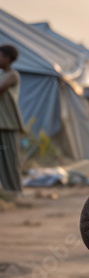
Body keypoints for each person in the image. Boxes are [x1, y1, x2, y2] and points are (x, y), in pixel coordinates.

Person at [0, 44, 26, 194]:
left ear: (8, 58)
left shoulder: (12, 75)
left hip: (8, 124)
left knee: (10, 161)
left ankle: (15, 192)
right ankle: (6, 193)